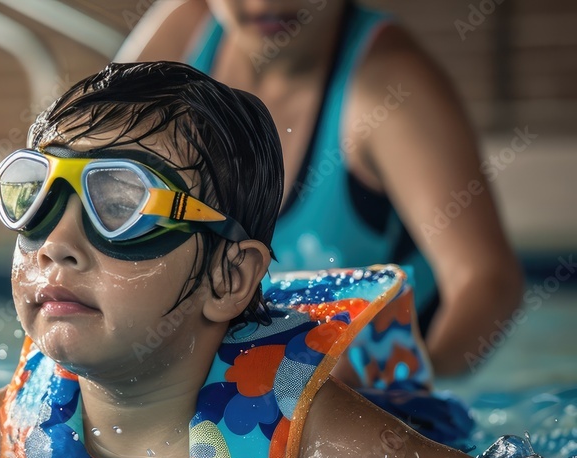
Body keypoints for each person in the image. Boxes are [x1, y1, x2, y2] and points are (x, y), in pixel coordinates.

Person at [0, 61, 519, 458]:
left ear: (229, 278)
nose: (56, 245)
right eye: (37, 198)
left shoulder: (325, 439)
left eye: (121, 204)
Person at [116, 0, 524, 376]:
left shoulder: (390, 86)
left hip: (369, 390)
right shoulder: (183, 34)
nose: (266, 3)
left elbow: (487, 280)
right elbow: (96, 193)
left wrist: (401, 393)